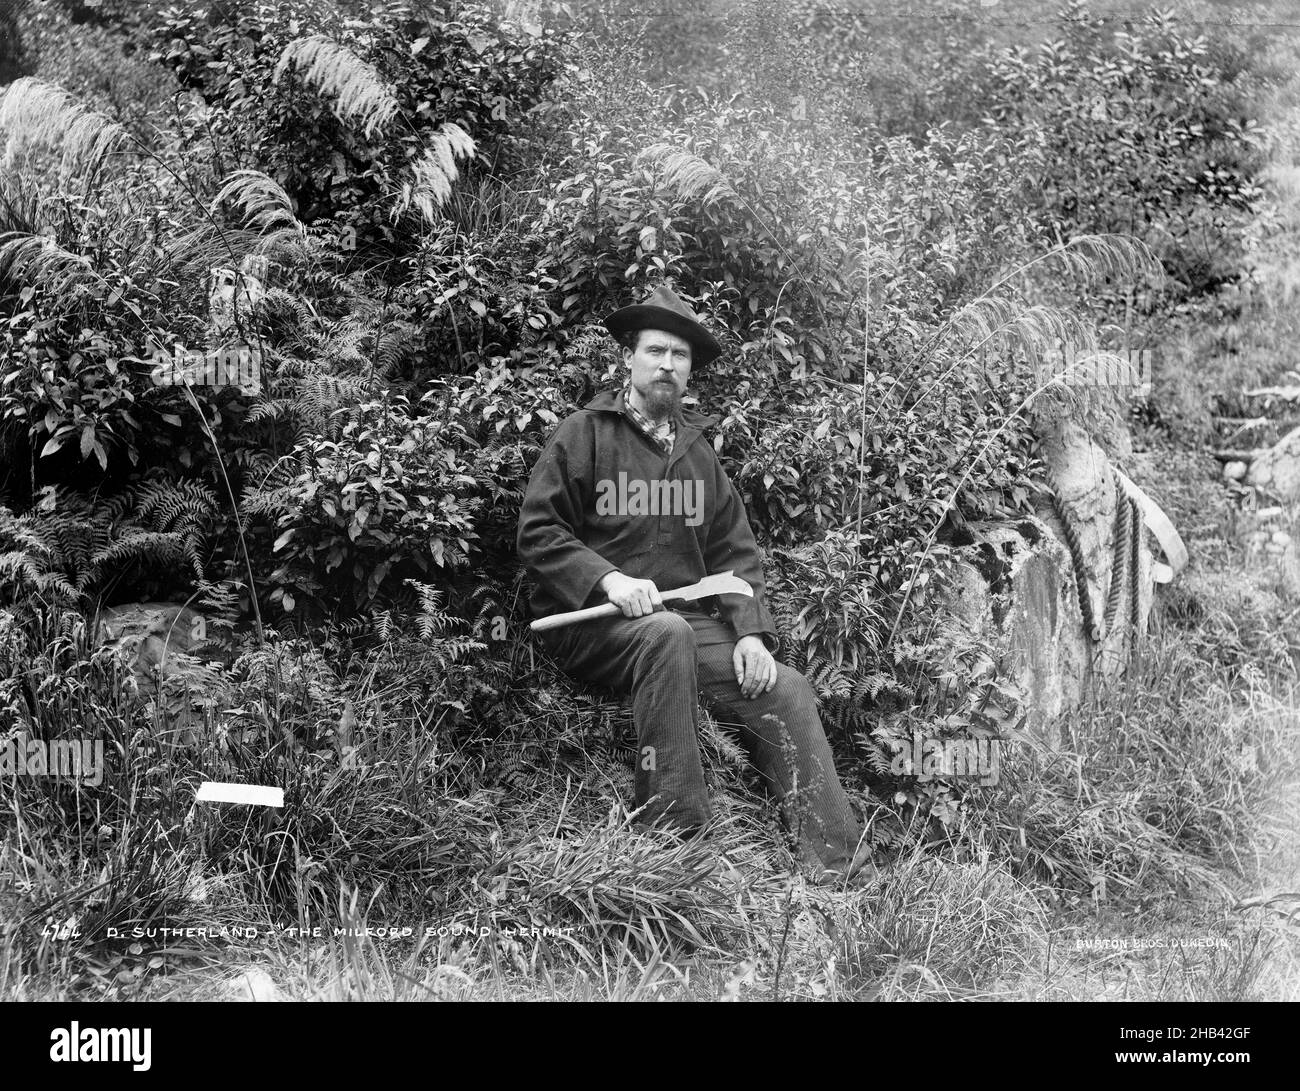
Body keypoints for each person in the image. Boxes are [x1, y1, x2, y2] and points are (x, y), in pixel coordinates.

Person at [516, 284, 873, 883]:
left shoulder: (698, 454)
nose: (666, 365)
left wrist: (750, 633)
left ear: (687, 373)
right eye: (655, 351)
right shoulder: (585, 435)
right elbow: (539, 530)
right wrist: (607, 580)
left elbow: (734, 552)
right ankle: (676, 845)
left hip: (683, 626)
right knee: (666, 634)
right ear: (628, 359)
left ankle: (838, 867)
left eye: (679, 357)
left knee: (785, 689)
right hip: (593, 626)